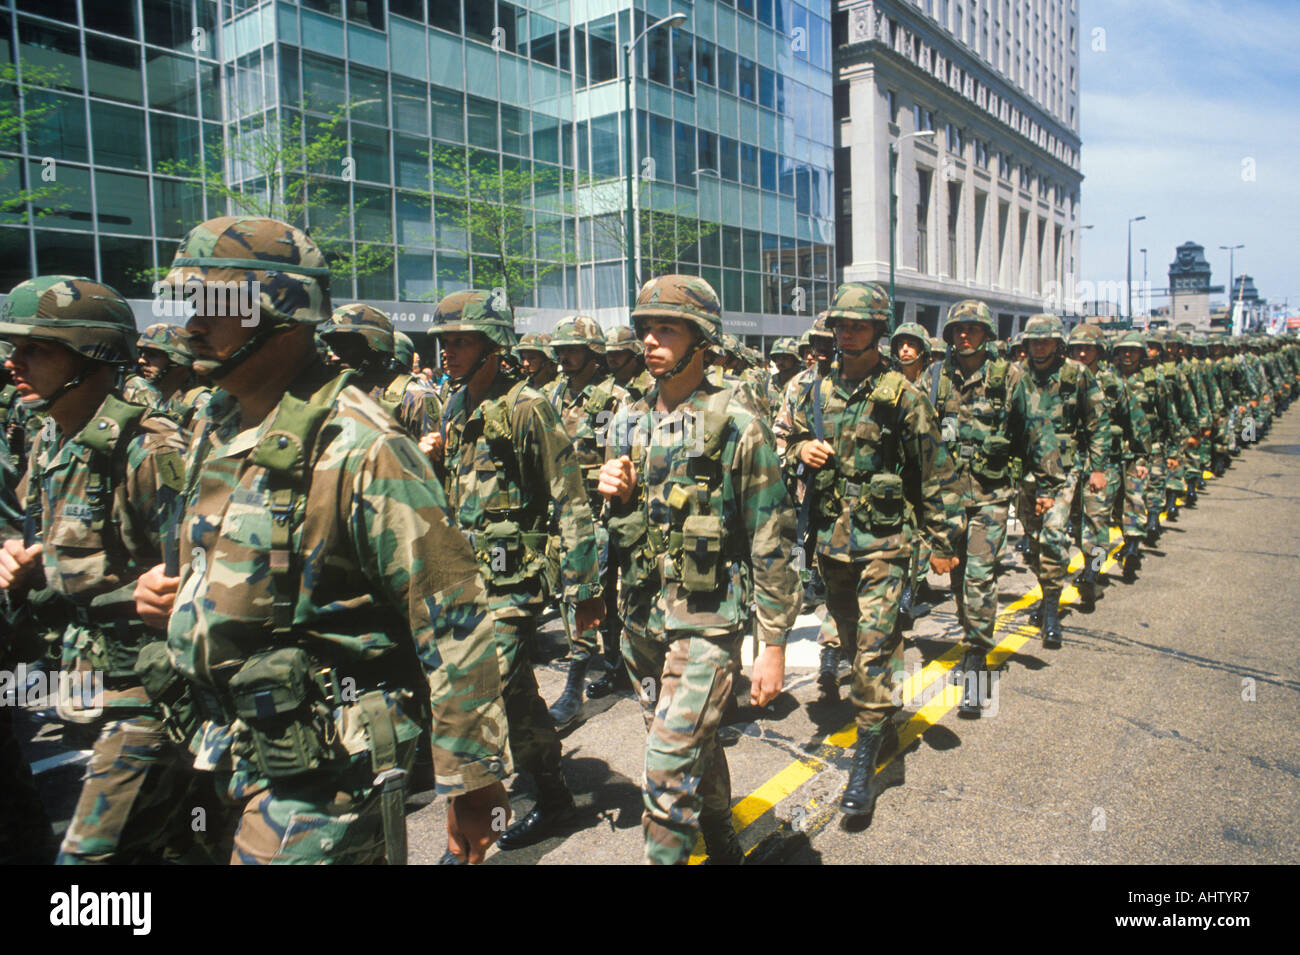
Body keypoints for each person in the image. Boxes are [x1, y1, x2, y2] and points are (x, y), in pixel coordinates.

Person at [138, 216, 511, 864]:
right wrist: (169, 592)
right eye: (190, 303)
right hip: (219, 745)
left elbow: (451, 617)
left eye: (214, 304)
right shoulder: (216, 422)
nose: (191, 324)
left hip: (320, 775)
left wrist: (472, 781)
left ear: (281, 311)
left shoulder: (361, 445)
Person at [598, 274, 799, 864]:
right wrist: (612, 493)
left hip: (708, 622)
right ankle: (720, 836)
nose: (651, 341)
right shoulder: (628, 419)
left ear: (701, 340)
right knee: (692, 749)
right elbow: (618, 524)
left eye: (667, 329)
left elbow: (773, 535)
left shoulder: (737, 422)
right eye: (645, 330)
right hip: (641, 619)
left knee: (664, 772)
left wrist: (774, 644)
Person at [0, 275, 201, 864]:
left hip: (152, 696)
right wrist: (18, 554)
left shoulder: (148, 449)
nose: (16, 363)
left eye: (36, 349)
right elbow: (48, 538)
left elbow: (200, 578)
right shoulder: (51, 440)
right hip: (90, 685)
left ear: (91, 354)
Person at [424, 291, 604, 850]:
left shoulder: (526, 406)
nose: (449, 351)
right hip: (465, 581)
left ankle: (465, 841)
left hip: (515, 584)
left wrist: (584, 589)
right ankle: (555, 800)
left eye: (462, 341)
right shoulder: (453, 404)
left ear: (491, 345)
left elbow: (569, 497)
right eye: (445, 341)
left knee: (471, 700)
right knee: (521, 701)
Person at [785, 283, 958, 817]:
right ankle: (881, 720)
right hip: (831, 546)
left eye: (858, 325)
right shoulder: (812, 388)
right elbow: (779, 441)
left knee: (874, 648)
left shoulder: (902, 395)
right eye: (841, 324)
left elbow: (934, 473)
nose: (847, 332)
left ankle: (870, 762)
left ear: (879, 330)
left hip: (885, 542)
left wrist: (941, 543)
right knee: (855, 638)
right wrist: (798, 449)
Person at [930, 301, 1063, 715]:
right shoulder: (937, 378)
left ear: (986, 333)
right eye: (957, 329)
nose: (963, 335)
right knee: (956, 577)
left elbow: (1037, 431)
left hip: (990, 495)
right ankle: (972, 634)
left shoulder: (1011, 378)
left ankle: (976, 662)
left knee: (980, 575)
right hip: (948, 497)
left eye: (972, 329)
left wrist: (1046, 484)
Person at [544, 316, 628, 724]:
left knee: (589, 593)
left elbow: (617, 457)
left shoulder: (611, 400)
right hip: (559, 512)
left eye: (572, 349)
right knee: (578, 593)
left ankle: (576, 684)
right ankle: (612, 661)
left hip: (597, 513)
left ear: (593, 353)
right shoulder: (549, 395)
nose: (564, 357)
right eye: (560, 350)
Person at [1017, 314, 1109, 635]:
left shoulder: (1078, 376)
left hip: (1066, 469)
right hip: (1027, 471)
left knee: (1077, 532)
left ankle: (1081, 584)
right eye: (1034, 341)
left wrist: (1098, 468)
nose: (1039, 347)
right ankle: (1050, 587)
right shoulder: (1017, 376)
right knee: (1034, 540)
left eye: (1046, 341)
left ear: (1058, 344)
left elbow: (1098, 424)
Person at [319, 303, 441, 441]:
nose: (334, 357)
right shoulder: (328, 393)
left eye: (343, 347)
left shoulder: (414, 398)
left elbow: (433, 456)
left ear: (373, 347)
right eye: (332, 347)